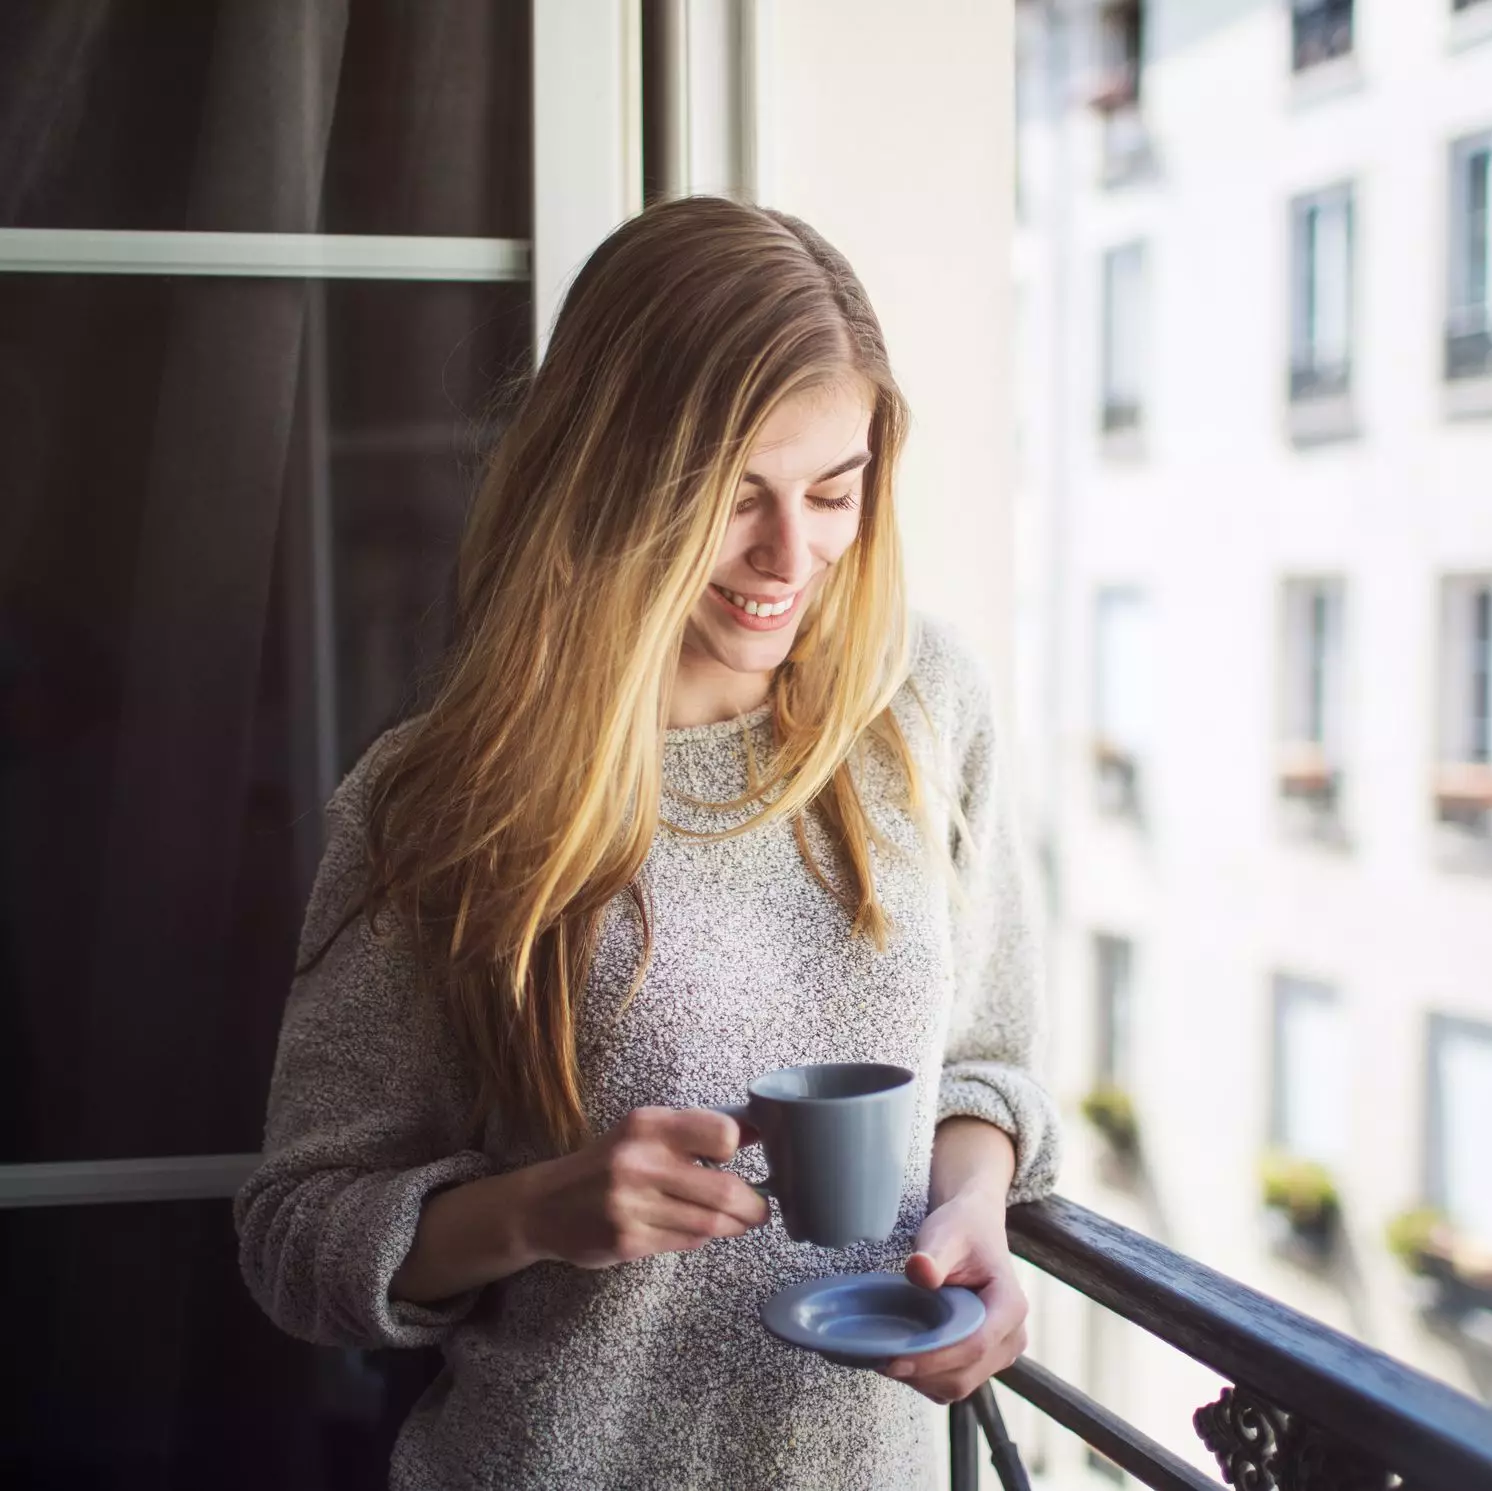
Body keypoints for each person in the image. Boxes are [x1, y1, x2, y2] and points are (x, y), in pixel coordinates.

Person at [235, 194, 1058, 1490]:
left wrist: (972, 1218)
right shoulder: (446, 793)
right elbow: (296, 1234)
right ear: (611, 473)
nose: (791, 555)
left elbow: (984, 1072)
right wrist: (535, 1211)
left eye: (833, 491)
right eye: (735, 498)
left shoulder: (925, 712)